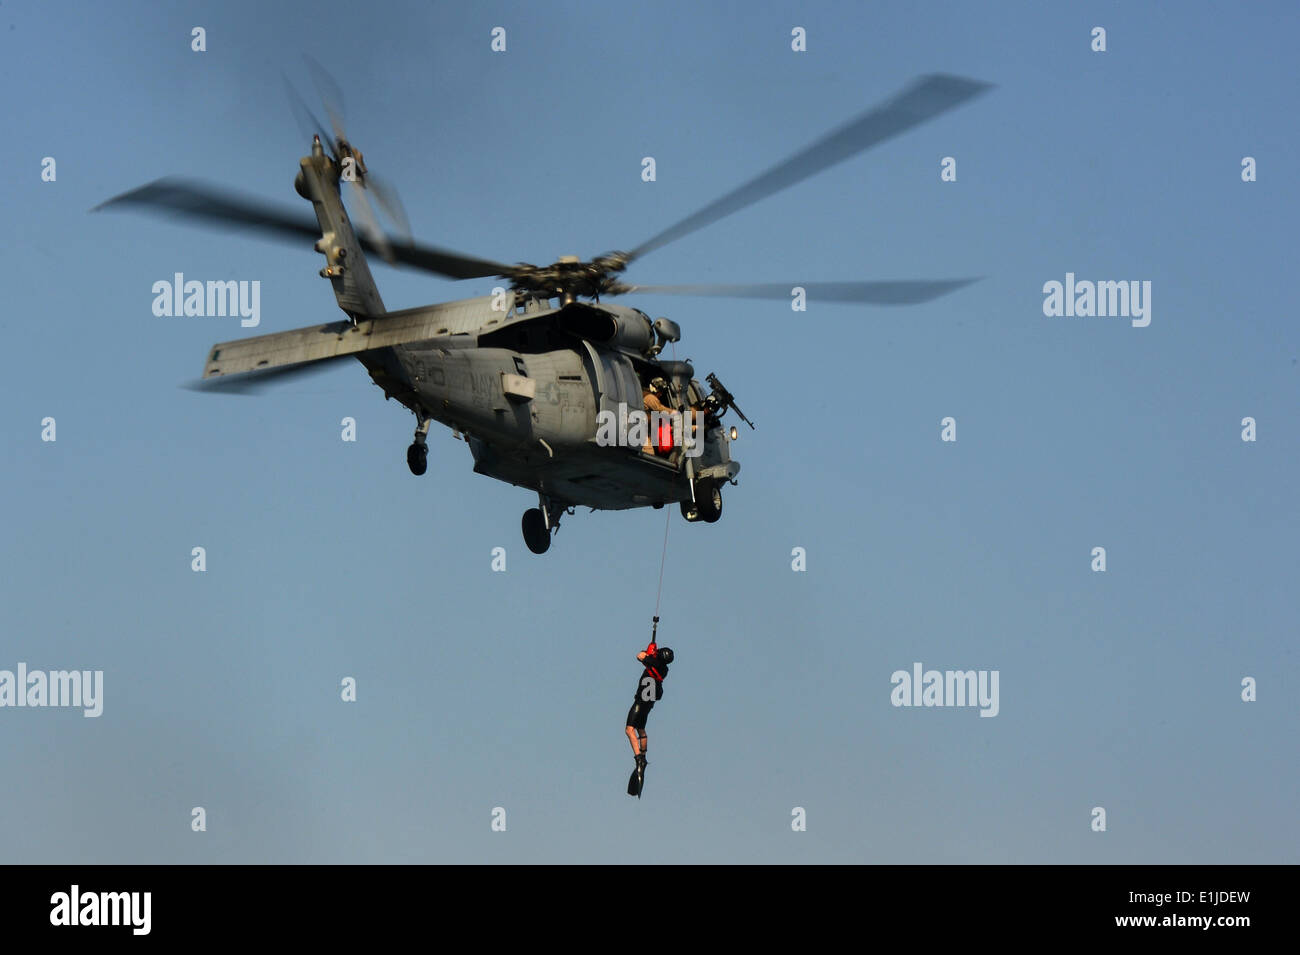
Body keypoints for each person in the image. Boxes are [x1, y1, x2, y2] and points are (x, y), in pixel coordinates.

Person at [625, 638, 674, 797]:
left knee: (629, 729)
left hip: (640, 701)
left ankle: (639, 758)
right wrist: (651, 653)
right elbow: (649, 661)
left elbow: (639, 656)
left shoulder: (653, 662)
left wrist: (648, 651)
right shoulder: (663, 669)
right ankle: (644, 757)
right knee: (641, 729)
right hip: (649, 703)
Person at [641, 377, 676, 455]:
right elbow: (660, 409)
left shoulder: (645, 394)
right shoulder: (650, 398)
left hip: (644, 430)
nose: (660, 394)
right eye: (660, 391)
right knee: (649, 453)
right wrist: (675, 413)